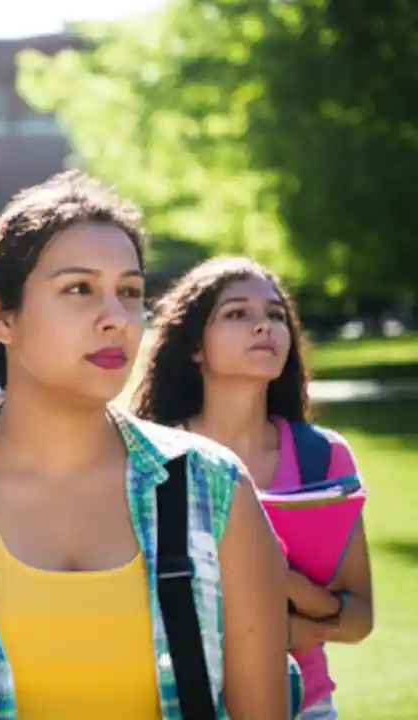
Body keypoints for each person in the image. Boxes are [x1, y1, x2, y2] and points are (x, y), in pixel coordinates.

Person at [0, 171, 290, 719]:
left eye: (131, 292)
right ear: (0, 316)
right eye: (78, 289)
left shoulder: (215, 493)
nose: (116, 318)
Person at [132, 256, 374, 720]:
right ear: (195, 347)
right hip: (174, 704)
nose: (264, 327)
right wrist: (300, 605)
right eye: (237, 314)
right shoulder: (150, 457)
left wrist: (280, 600)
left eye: (276, 315)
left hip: (305, 708)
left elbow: (360, 616)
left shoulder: (323, 457)